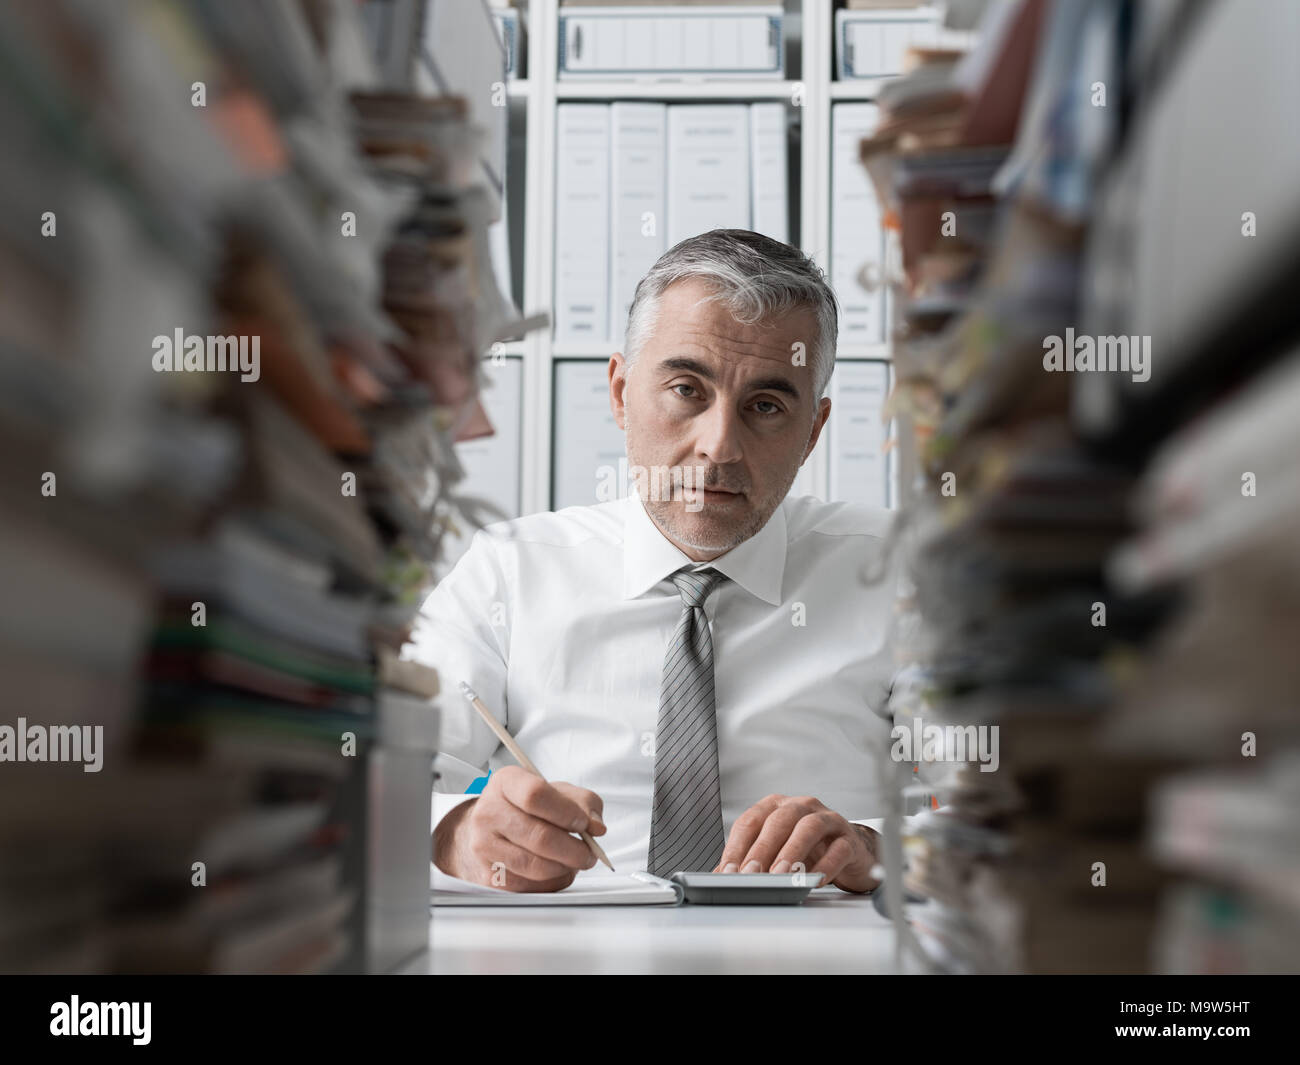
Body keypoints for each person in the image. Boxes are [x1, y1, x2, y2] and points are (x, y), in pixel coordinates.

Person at [414, 229, 898, 893]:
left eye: (765, 405)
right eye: (686, 389)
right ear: (619, 393)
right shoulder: (509, 571)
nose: (719, 446)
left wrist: (876, 850)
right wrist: (455, 833)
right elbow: (355, 785)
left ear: (813, 430)